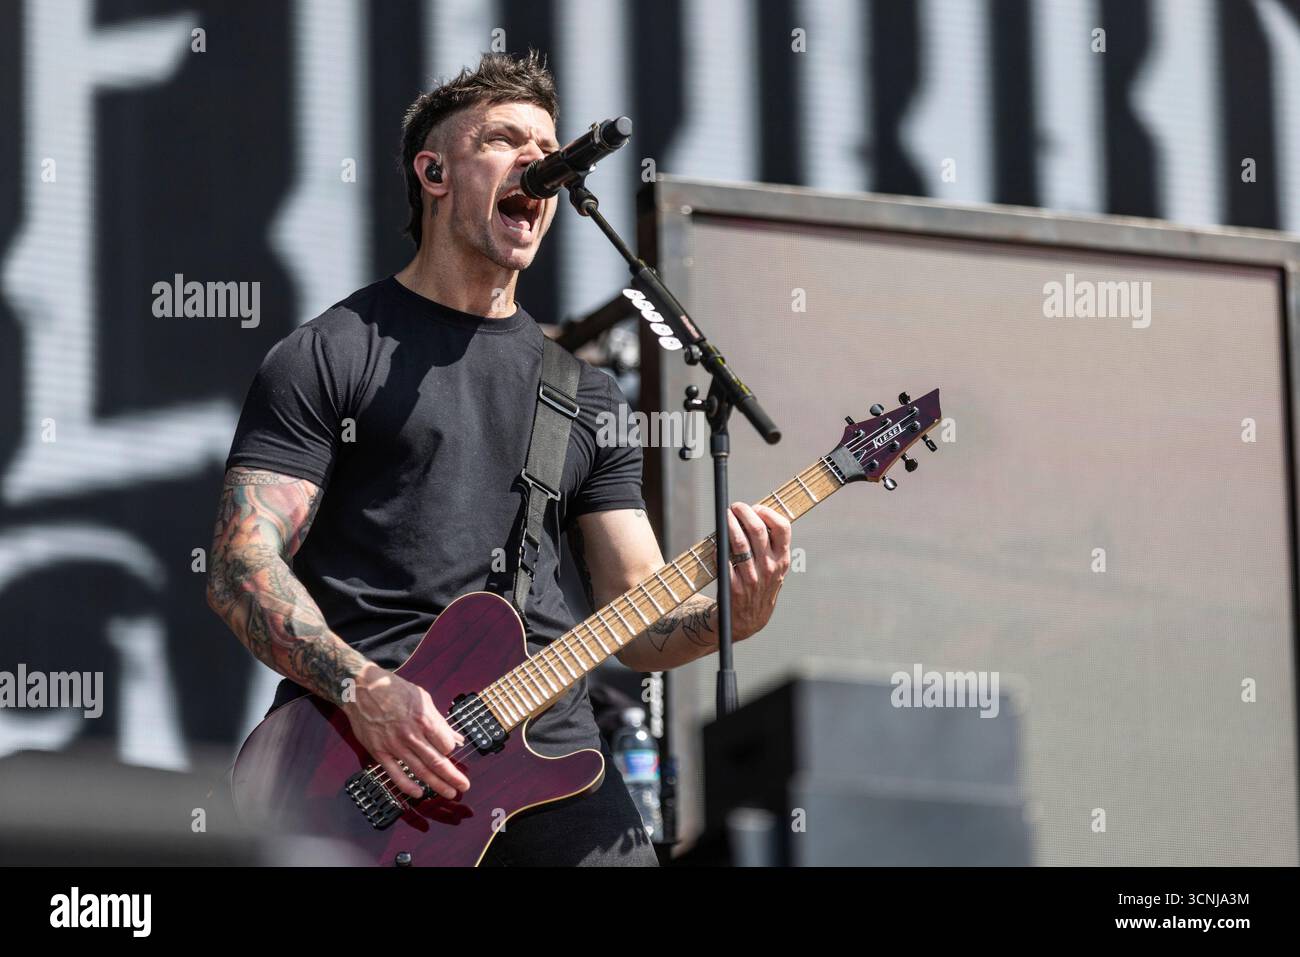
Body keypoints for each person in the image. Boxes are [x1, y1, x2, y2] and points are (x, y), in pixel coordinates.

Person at [205, 50, 791, 866]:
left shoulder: (585, 397)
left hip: (553, 765)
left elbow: (642, 623)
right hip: (368, 767)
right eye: (505, 140)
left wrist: (738, 614)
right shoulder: (332, 353)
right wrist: (363, 689)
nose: (536, 162)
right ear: (434, 170)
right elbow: (240, 565)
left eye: (545, 145)